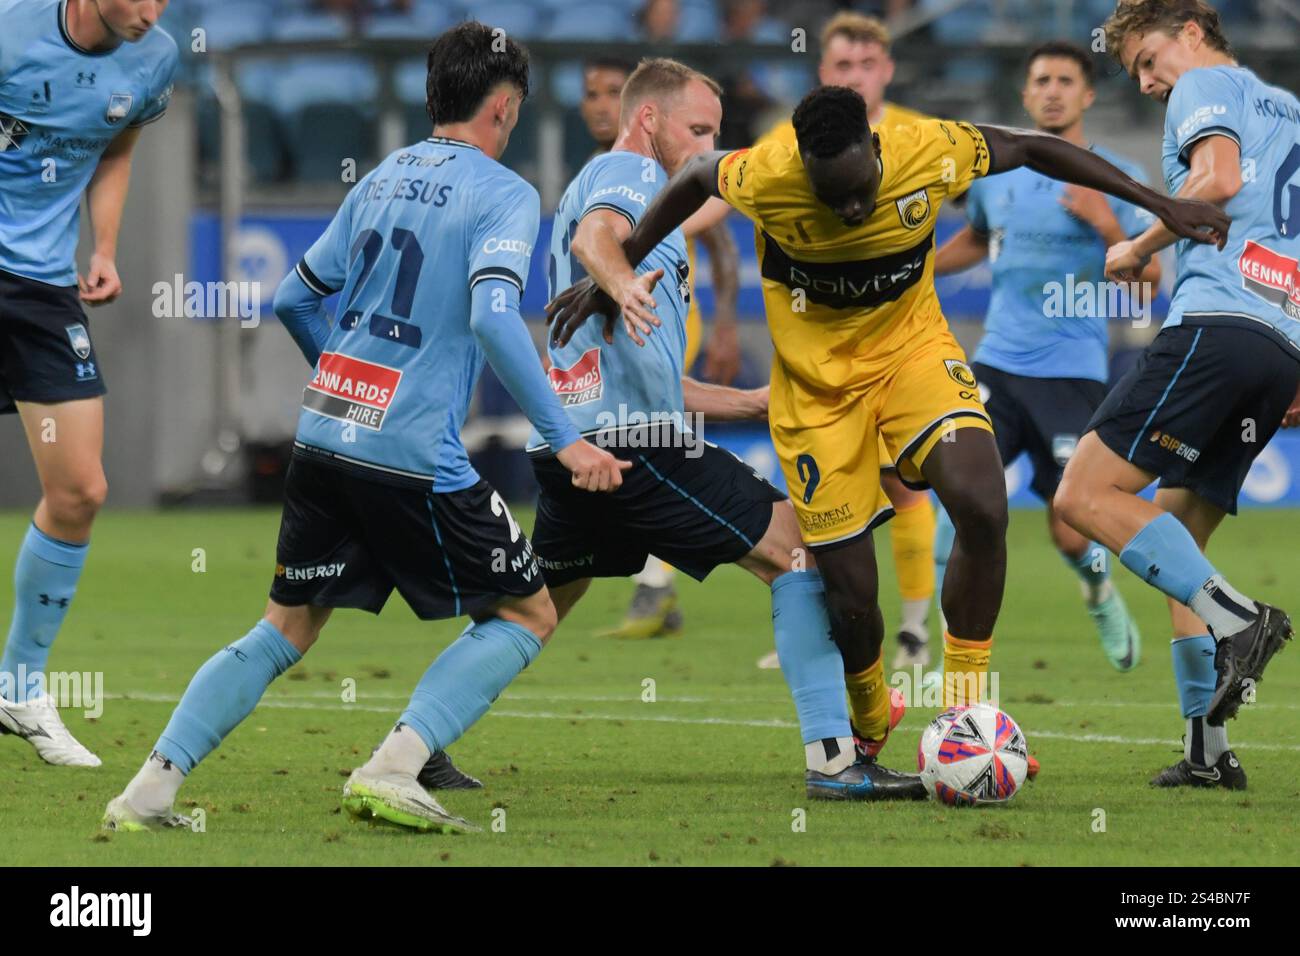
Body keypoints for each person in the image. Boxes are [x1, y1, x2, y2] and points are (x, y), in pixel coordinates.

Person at [546, 84, 1228, 767]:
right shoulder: (769, 171)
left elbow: (1032, 147)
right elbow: (696, 177)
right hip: (817, 393)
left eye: (857, 191)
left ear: (875, 150)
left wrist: (1160, 205)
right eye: (830, 196)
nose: (848, 209)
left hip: (913, 357)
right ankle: (872, 714)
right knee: (851, 595)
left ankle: (965, 711)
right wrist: (627, 257)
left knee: (983, 504)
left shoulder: (927, 149)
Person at [101, 22, 627, 833]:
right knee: (527, 613)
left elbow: (292, 299)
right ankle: (394, 765)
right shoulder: (506, 192)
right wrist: (565, 438)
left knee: (283, 628)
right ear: (506, 106)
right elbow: (494, 320)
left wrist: (346, 381)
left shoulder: (381, 176)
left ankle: (148, 790)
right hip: (411, 452)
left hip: (325, 434)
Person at [520, 58, 918, 799]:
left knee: (532, 611)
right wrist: (622, 279)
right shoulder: (632, 180)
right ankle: (835, 762)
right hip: (638, 447)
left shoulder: (615, 191)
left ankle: (411, 748)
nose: (707, 147)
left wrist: (759, 403)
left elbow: (660, 381)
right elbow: (596, 242)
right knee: (800, 550)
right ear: (650, 120)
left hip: (575, 445)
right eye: (698, 130)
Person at [1055, 0, 1300, 789]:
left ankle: (1238, 619)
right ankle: (1208, 751)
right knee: (1174, 543)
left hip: (1217, 324)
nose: (1151, 81)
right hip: (1278, 343)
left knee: (1085, 495)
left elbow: (1217, 180)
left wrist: (1138, 239)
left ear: (1192, 31)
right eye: (1137, 74)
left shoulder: (1206, 84)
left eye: (1150, 60)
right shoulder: (1291, 112)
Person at [932, 40, 1152, 673]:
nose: (1052, 90)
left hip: (1072, 375)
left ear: (1087, 95)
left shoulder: (1110, 174)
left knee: (1069, 529)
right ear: (1025, 96)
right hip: (997, 364)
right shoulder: (995, 175)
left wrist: (1107, 224)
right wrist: (918, 271)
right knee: (958, 492)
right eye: (1040, 80)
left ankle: (1097, 590)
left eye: (1065, 79)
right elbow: (977, 235)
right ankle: (953, 656)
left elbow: (1150, 277)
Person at [0, 0, 178, 767]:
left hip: (42, 291)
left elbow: (116, 145)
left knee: (80, 491)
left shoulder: (156, 56)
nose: (151, 10)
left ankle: (18, 686)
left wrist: (103, 244)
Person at [754, 12, 937, 671]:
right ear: (824, 73)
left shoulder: (918, 138)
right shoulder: (788, 145)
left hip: (898, 346)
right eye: (842, 67)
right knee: (820, 499)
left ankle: (915, 629)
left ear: (885, 70)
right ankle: (819, 631)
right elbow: (714, 196)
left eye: (866, 66)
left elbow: (977, 215)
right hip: (819, 361)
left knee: (907, 484)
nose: (855, 75)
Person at [577, 57, 744, 640]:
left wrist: (725, 323)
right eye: (591, 93)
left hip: (660, 319)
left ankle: (653, 584)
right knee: (639, 447)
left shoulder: (662, 173)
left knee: (651, 441)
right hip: (627, 321)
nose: (599, 103)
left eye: (608, 91)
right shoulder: (608, 175)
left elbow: (720, 236)